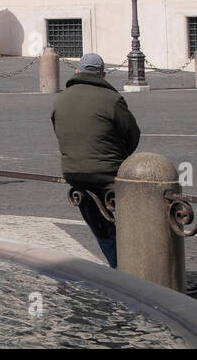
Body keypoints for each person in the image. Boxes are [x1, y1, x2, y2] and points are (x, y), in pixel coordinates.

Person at [51, 53, 141, 268]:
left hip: (74, 174)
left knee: (101, 227)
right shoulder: (112, 99)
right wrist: (122, 157)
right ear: (103, 74)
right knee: (139, 219)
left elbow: (59, 132)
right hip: (110, 172)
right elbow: (132, 134)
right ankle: (143, 270)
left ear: (77, 72)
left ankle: (119, 267)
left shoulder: (60, 99)